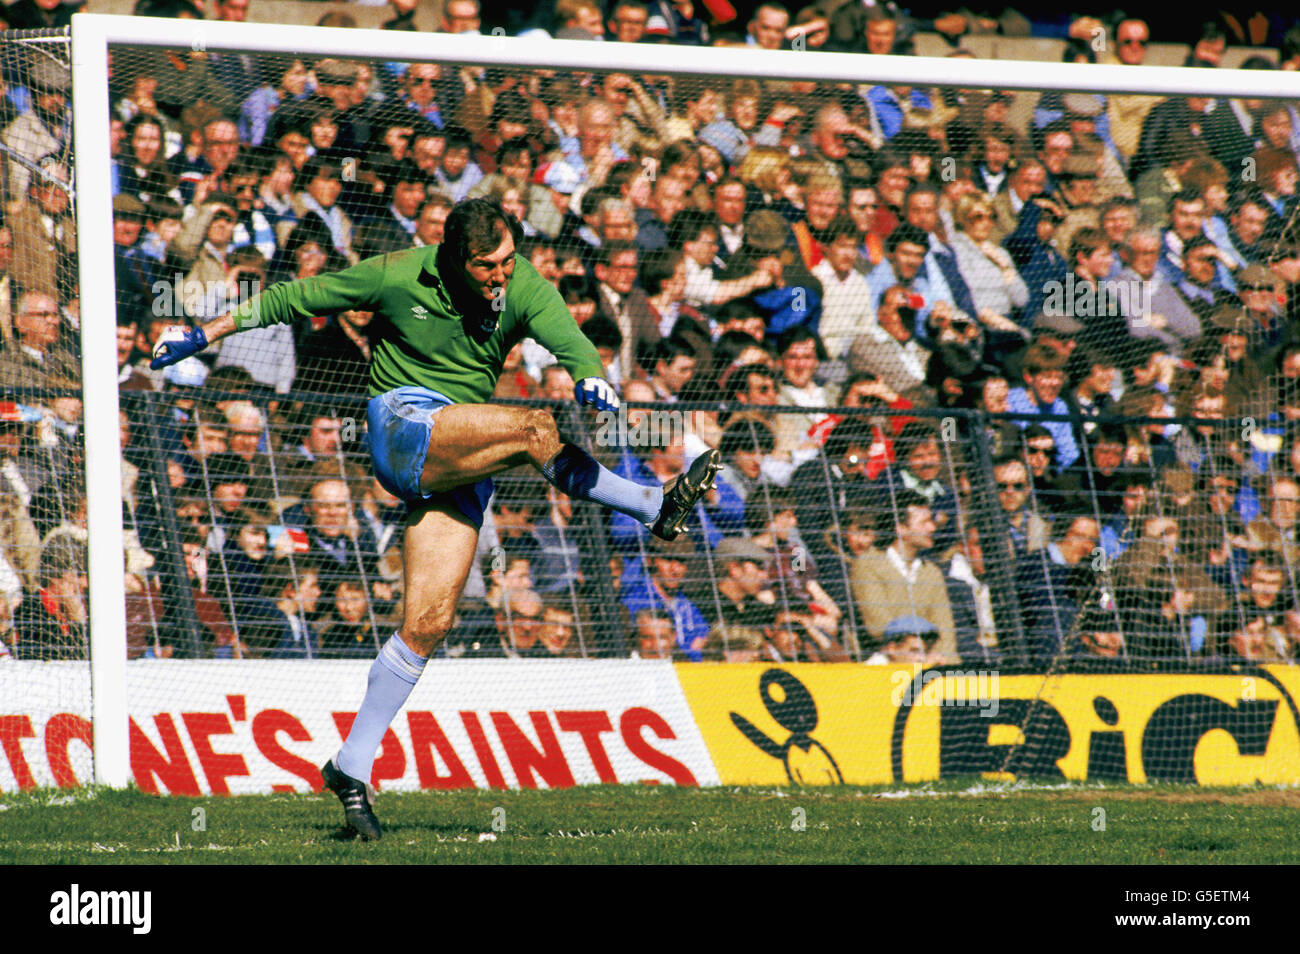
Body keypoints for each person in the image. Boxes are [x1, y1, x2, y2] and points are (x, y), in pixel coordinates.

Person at [150, 198, 720, 840]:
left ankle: (350, 763)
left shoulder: (522, 282)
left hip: (460, 456)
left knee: (428, 624)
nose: (502, 274)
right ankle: (653, 504)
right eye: (487, 265)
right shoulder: (398, 273)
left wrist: (591, 375)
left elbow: (570, 339)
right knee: (534, 424)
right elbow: (297, 296)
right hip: (403, 425)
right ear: (453, 259)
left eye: (508, 259)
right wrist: (203, 331)